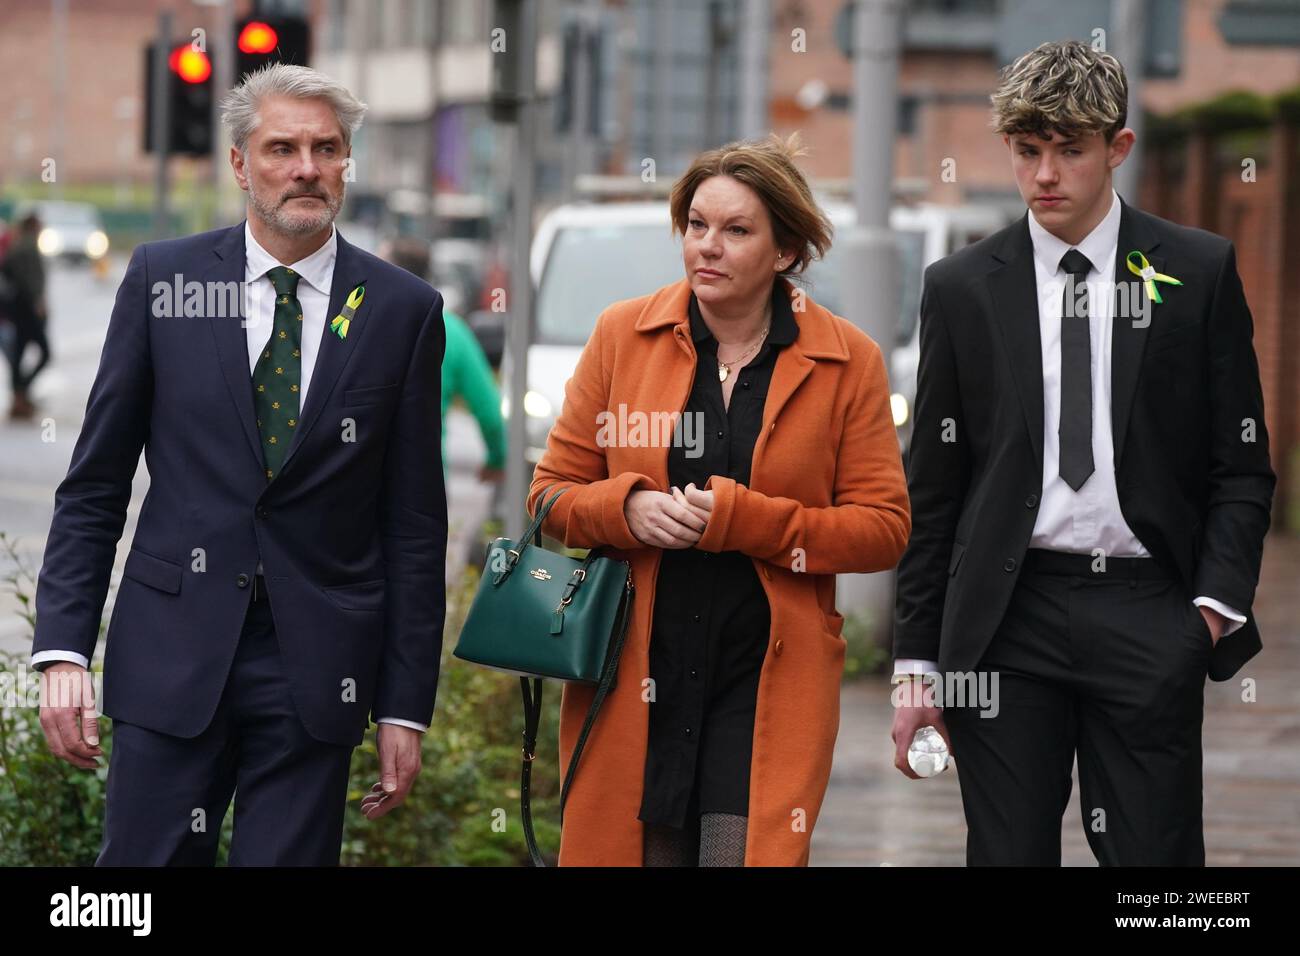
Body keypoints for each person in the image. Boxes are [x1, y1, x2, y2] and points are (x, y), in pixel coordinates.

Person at [32, 63, 449, 865]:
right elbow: (94, 486)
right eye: (282, 147)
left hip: (318, 672)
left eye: (326, 149)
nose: (306, 168)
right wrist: (62, 650)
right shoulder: (166, 280)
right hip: (171, 654)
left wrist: (404, 704)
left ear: (346, 160)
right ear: (238, 163)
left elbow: (414, 525)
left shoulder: (404, 310)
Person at [892, 40, 1275, 865]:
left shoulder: (1196, 272)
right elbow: (936, 488)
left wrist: (1208, 614)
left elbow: (1240, 465)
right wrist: (916, 665)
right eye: (1029, 152)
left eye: (1070, 149)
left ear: (1117, 149)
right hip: (1004, 620)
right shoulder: (960, 287)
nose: (1046, 175)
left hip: (1149, 612)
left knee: (1158, 872)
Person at [529, 133, 910, 866]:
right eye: (697, 225)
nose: (708, 246)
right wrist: (628, 508)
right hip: (635, 668)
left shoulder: (846, 359)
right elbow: (550, 496)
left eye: (737, 231)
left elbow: (883, 530)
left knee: (743, 850)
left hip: (766, 674)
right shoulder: (621, 335)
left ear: (786, 251)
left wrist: (748, 522)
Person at [1, 212, 51, 420]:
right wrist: (36, 300)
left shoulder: (20, 245)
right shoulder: (26, 247)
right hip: (27, 312)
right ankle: (21, 394)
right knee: (43, 352)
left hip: (19, 311)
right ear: (34, 226)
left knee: (18, 355)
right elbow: (28, 279)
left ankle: (20, 396)